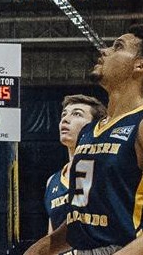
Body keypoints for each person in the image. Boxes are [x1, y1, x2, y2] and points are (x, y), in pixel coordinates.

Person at [24, 25, 143, 254]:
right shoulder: (89, 132)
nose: (104, 51)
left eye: (118, 46)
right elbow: (81, 222)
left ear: (139, 65)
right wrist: (41, 249)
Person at [43, 95, 106, 235]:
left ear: (97, 126)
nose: (65, 119)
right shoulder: (52, 181)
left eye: (77, 114)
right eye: (63, 114)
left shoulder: (107, 169)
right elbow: (52, 237)